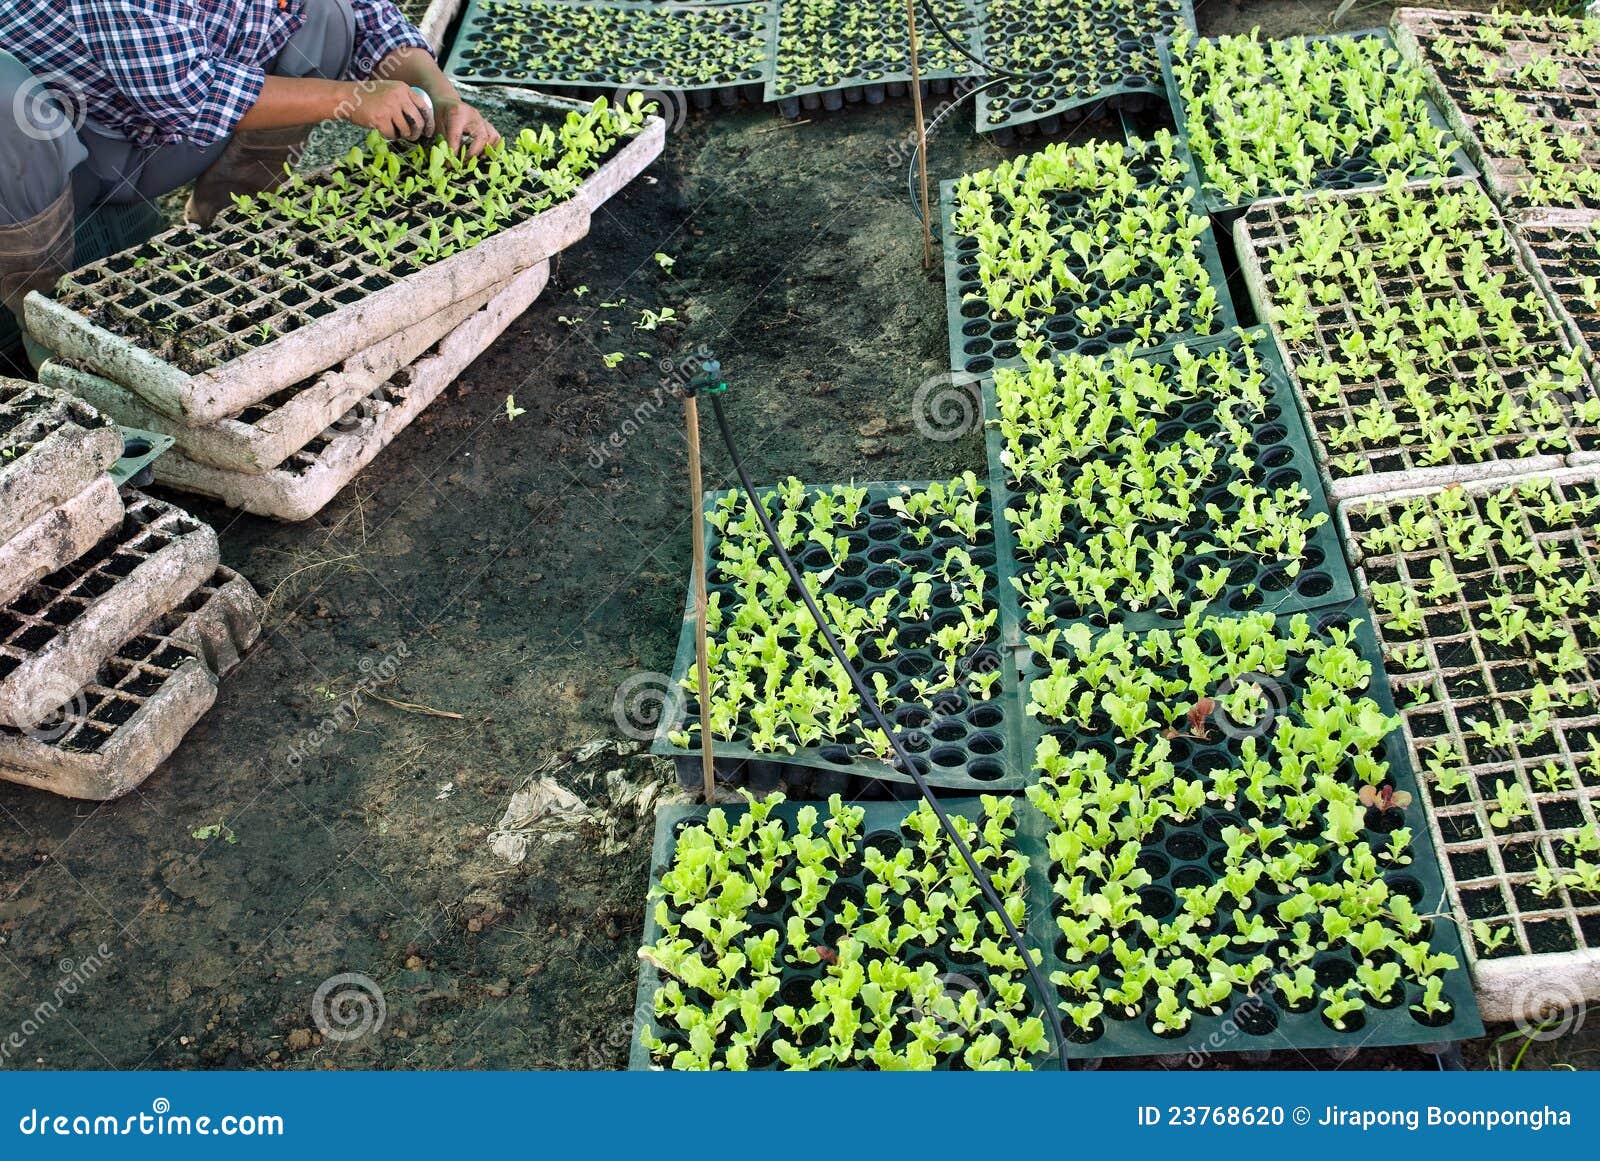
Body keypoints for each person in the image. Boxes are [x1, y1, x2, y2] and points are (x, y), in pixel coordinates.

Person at [0, 0, 502, 364]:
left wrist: (442, 96)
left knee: (329, 16)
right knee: (6, 106)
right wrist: (350, 96)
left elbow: (370, 17)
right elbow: (183, 94)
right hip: (51, 158)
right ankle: (51, 327)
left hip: (155, 141)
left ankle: (231, 238)